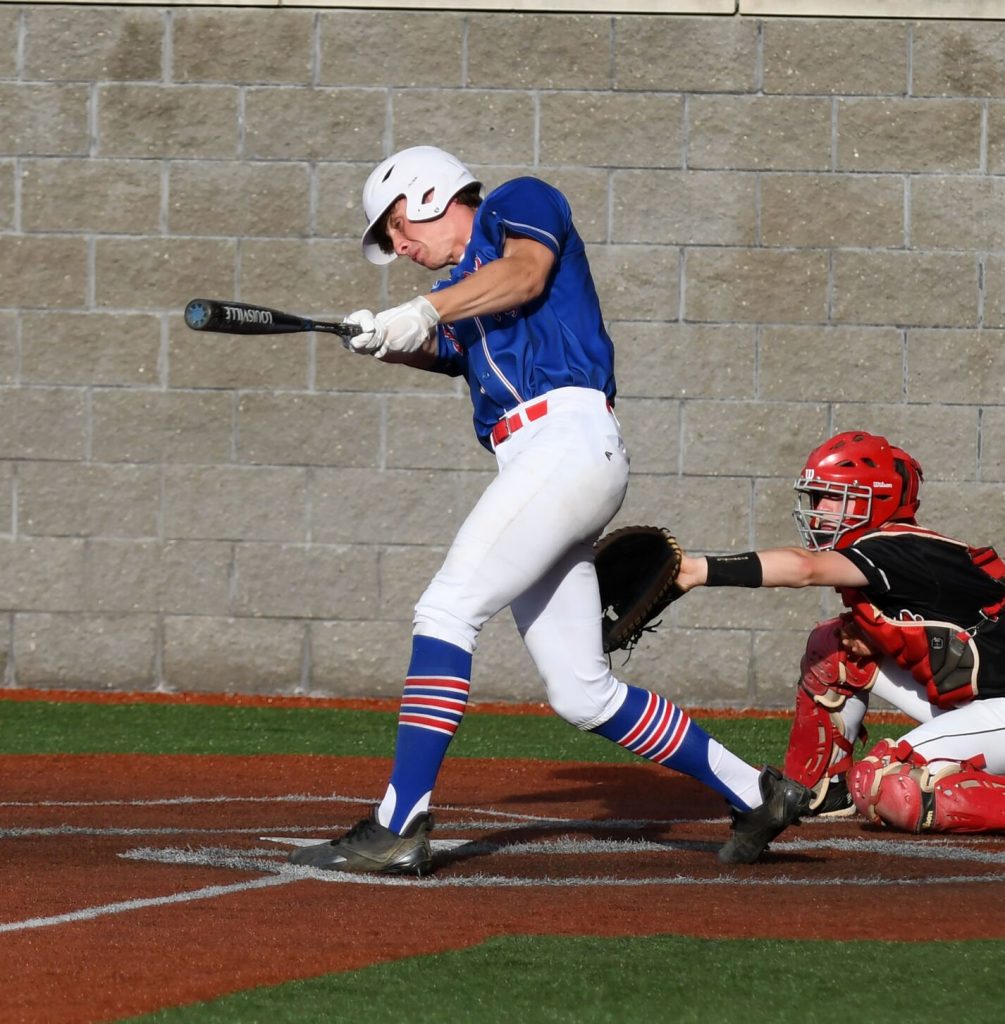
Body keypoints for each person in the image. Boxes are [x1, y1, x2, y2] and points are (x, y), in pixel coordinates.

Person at [289, 145, 810, 874]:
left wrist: (419, 311)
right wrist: (385, 341)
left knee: (445, 612)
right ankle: (752, 790)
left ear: (435, 192)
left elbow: (525, 275)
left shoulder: (517, 204)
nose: (401, 247)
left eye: (400, 226)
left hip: (563, 442)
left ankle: (398, 821)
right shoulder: (466, 288)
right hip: (544, 458)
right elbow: (451, 349)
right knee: (581, 692)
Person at [674, 430, 1005, 834]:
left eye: (833, 497)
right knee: (834, 647)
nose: (818, 512)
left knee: (888, 786)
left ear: (877, 499)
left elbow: (803, 568)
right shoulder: (895, 552)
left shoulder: (899, 547)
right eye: (816, 498)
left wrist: (695, 571)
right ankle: (825, 789)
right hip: (983, 701)